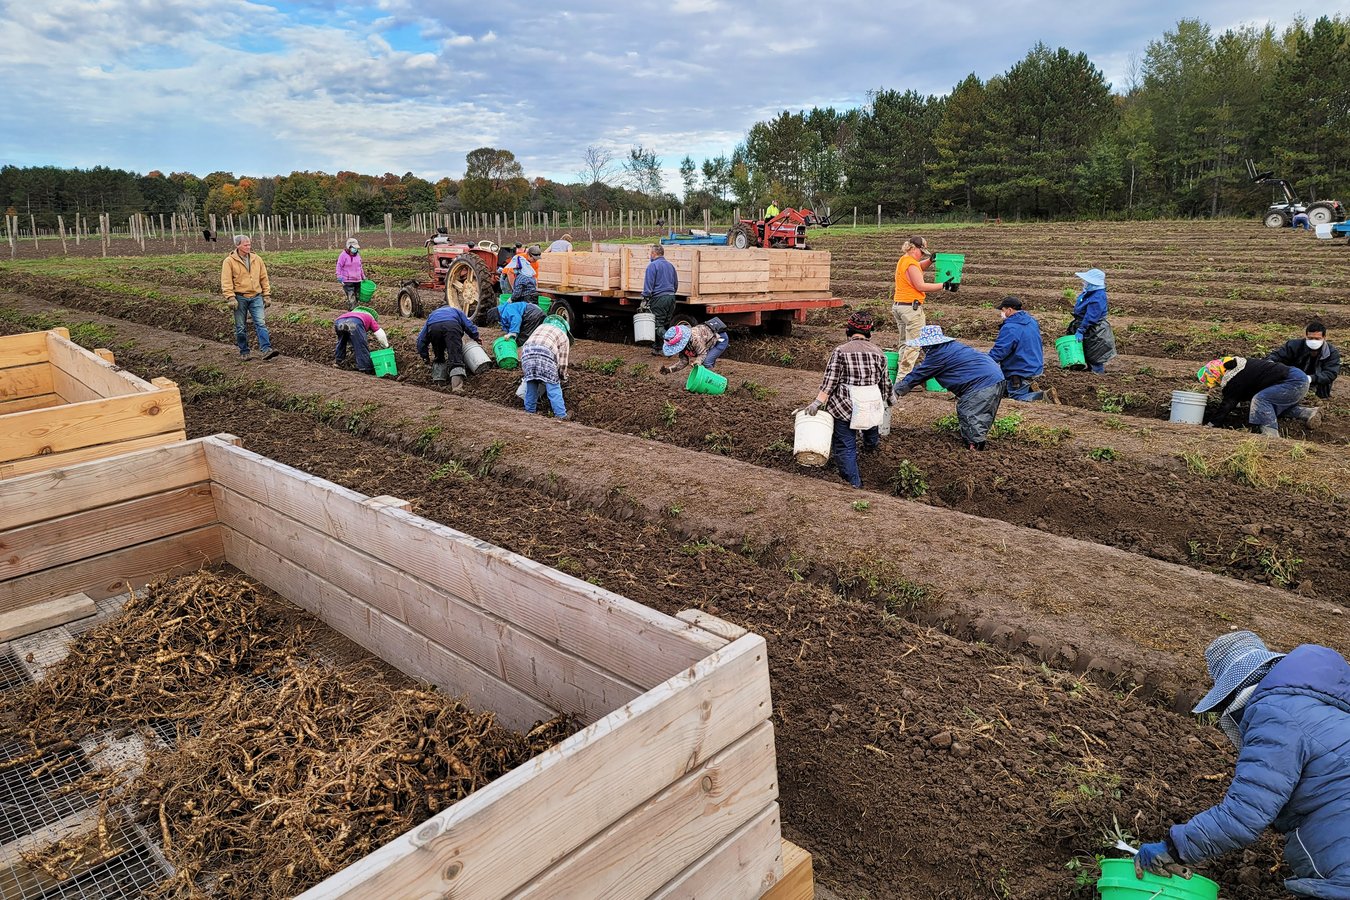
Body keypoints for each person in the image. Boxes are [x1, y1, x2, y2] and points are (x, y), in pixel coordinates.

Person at [1133, 631, 1350, 897]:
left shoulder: (1275, 713)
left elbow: (1244, 813)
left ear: (1235, 692)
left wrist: (1173, 849)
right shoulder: (1320, 707)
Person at [803, 311, 891, 488]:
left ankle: (854, 484)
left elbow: (830, 381)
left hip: (845, 405)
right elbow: (885, 380)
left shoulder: (841, 351)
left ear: (848, 331)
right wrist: (890, 398)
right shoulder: (879, 353)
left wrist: (817, 403)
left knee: (845, 446)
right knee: (870, 425)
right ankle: (870, 446)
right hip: (870, 403)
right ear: (869, 333)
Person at [893, 325, 1006, 451]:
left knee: (969, 411)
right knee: (981, 413)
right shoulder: (953, 347)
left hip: (982, 383)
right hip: (996, 378)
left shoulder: (938, 355)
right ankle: (975, 441)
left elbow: (918, 375)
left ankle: (975, 448)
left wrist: (896, 391)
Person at [1198, 356, 1320, 436]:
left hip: (1292, 381)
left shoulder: (1235, 378)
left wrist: (1212, 424)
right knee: (1270, 405)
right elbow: (1240, 394)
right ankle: (1308, 413)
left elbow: (1229, 403)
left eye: (1215, 381)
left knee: (1261, 400)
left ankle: (1270, 435)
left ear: (1217, 374)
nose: (1217, 384)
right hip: (1298, 378)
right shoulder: (1241, 367)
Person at [892, 236, 953, 378]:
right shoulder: (911, 264)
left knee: (904, 343)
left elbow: (919, 267)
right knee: (914, 345)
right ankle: (903, 380)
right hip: (911, 309)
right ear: (914, 248)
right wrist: (944, 285)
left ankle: (901, 377)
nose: (922, 255)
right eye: (921, 252)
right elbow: (920, 285)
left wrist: (930, 261)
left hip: (899, 306)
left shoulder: (904, 260)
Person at [219, 234, 279, 361]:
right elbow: (226, 281)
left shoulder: (257, 259)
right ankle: (244, 351)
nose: (248, 247)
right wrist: (230, 297)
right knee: (240, 326)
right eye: (245, 245)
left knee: (261, 323)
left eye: (249, 244)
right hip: (239, 297)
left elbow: (264, 277)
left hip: (256, 296)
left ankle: (266, 349)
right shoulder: (229, 261)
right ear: (237, 245)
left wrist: (266, 295)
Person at [987, 296, 1045, 402]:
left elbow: (1000, 351)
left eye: (1002, 310)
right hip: (1035, 365)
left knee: (1017, 401)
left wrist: (984, 362)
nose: (1001, 313)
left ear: (1009, 310)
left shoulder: (1011, 327)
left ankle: (1037, 398)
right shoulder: (1031, 320)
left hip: (1020, 370)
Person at [416, 303, 481, 393]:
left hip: (434, 327)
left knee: (439, 356)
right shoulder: (456, 311)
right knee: (455, 356)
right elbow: (468, 325)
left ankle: (439, 382)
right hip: (452, 326)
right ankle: (456, 387)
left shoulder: (433, 314)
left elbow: (421, 339)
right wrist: (476, 336)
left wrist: (425, 356)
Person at [1266, 321, 1340, 399]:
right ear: (1306, 336)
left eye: (1317, 339)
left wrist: (1310, 378)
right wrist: (1270, 365)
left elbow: (1330, 373)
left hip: (1317, 386)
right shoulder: (1293, 346)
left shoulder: (1331, 353)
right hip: (1291, 380)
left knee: (1314, 400)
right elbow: (1276, 356)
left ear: (1324, 337)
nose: (1313, 341)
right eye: (1310, 338)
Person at [520, 316, 571, 420]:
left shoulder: (541, 327)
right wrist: (563, 377)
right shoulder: (564, 337)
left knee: (531, 383)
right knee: (553, 387)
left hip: (526, 354)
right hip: (546, 355)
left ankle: (529, 412)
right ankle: (561, 415)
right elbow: (562, 364)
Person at [1067, 268, 1117, 373]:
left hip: (1094, 329)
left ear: (1093, 283)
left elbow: (1091, 316)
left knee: (1095, 353)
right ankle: (1090, 371)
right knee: (1086, 350)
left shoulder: (1097, 297)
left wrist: (1081, 330)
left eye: (1086, 281)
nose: (1084, 283)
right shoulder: (1089, 293)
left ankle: (1098, 374)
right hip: (1085, 325)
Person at [642, 244, 679, 356]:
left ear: (654, 254)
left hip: (659, 298)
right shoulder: (670, 266)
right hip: (671, 297)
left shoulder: (652, 266)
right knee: (666, 323)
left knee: (657, 325)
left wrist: (645, 298)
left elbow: (648, 285)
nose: (650, 255)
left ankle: (673, 343)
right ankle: (659, 348)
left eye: (650, 253)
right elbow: (675, 283)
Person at [659, 320, 729, 375]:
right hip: (708, 340)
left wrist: (697, 362)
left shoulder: (695, 339)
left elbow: (702, 354)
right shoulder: (683, 346)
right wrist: (669, 370)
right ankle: (708, 379)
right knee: (707, 362)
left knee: (707, 362)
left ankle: (712, 383)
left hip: (720, 339)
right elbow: (684, 362)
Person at [333, 307, 389, 374]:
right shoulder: (369, 317)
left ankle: (339, 361)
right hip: (354, 323)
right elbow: (380, 333)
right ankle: (365, 368)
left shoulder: (351, 314)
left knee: (342, 341)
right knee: (361, 344)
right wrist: (385, 345)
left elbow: (349, 332)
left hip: (339, 322)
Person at [335, 238, 364, 309]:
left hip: (357, 280)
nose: (355, 249)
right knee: (351, 297)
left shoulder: (357, 255)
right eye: (354, 248)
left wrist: (363, 276)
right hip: (347, 280)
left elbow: (360, 266)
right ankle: (353, 311)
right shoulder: (343, 255)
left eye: (356, 248)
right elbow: (339, 265)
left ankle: (354, 309)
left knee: (357, 297)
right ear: (349, 247)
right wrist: (339, 276)